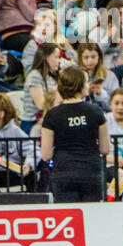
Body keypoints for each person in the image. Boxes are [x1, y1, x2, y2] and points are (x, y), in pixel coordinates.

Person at [39, 66, 108, 202]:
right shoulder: (96, 111)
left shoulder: (52, 115)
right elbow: (105, 148)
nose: (88, 85)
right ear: (81, 85)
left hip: (64, 172)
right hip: (91, 171)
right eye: (87, 82)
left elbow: (46, 154)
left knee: (69, 218)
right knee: (91, 218)